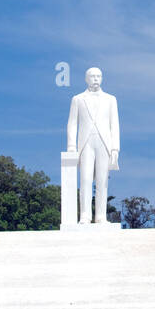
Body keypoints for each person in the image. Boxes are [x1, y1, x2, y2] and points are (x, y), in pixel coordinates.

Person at [66, 67, 120, 223]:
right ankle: (85, 214)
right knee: (85, 179)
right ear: (86, 79)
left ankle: (101, 215)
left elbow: (114, 125)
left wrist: (115, 147)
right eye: (92, 76)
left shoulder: (111, 99)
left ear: (102, 78)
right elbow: (72, 123)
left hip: (104, 142)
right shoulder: (78, 99)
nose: (96, 78)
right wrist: (71, 146)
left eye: (98, 76)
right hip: (85, 143)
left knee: (103, 180)